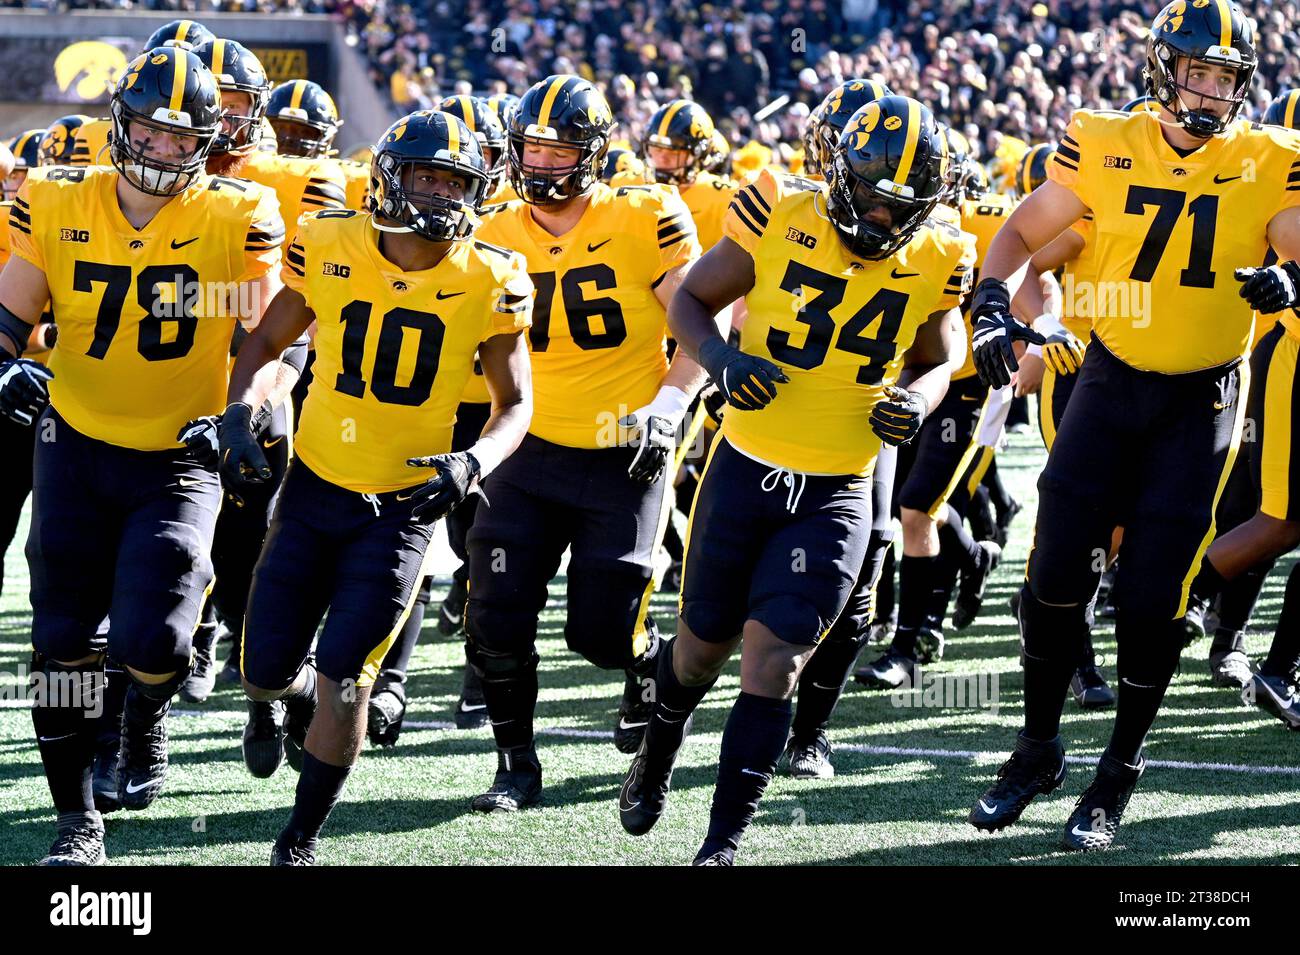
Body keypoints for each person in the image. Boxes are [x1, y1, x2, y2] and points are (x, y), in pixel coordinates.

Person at [966, 0, 1300, 851]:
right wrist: (991, 304)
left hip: (1202, 403)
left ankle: (1118, 772)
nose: (1211, 90)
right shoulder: (1104, 138)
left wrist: (1293, 286)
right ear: (1164, 67)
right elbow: (1018, 230)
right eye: (1198, 70)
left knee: (1156, 602)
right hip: (1109, 387)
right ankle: (1036, 748)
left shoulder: (1269, 157)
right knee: (1050, 579)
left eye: (1226, 77)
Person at [620, 95, 970, 864]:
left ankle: (722, 843)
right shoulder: (779, 208)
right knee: (697, 650)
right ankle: (659, 745)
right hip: (745, 466)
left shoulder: (940, 253)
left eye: (901, 208)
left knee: (775, 663)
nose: (883, 221)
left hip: (840, 486)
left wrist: (917, 396)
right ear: (842, 178)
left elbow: (941, 356)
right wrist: (721, 360)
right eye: (873, 200)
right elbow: (690, 300)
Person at [220, 110, 533, 864]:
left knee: (348, 679)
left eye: (455, 181)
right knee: (261, 670)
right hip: (315, 486)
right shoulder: (326, 240)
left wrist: (475, 462)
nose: (437, 193)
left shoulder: (491, 274)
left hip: (402, 507)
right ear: (390, 177)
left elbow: (514, 402)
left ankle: (300, 834)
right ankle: (291, 700)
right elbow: (267, 340)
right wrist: (240, 409)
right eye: (425, 175)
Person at [0, 46, 284, 864]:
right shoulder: (57, 199)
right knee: (59, 638)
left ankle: (145, 714)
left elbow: (264, 338)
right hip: (76, 439)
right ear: (119, 126)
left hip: (178, 451)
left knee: (155, 641)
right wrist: (8, 366)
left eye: (181, 136)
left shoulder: (238, 214)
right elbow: (13, 313)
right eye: (149, 134)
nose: (163, 151)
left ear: (209, 139)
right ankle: (76, 820)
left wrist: (242, 410)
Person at [466, 74, 705, 812]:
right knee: (496, 611)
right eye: (530, 147)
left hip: (623, 448)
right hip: (526, 445)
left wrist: (669, 404)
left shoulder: (647, 214)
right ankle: (515, 765)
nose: (538, 163)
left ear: (594, 153)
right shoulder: (494, 228)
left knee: (600, 631)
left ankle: (642, 663)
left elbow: (699, 327)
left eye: (556, 149)